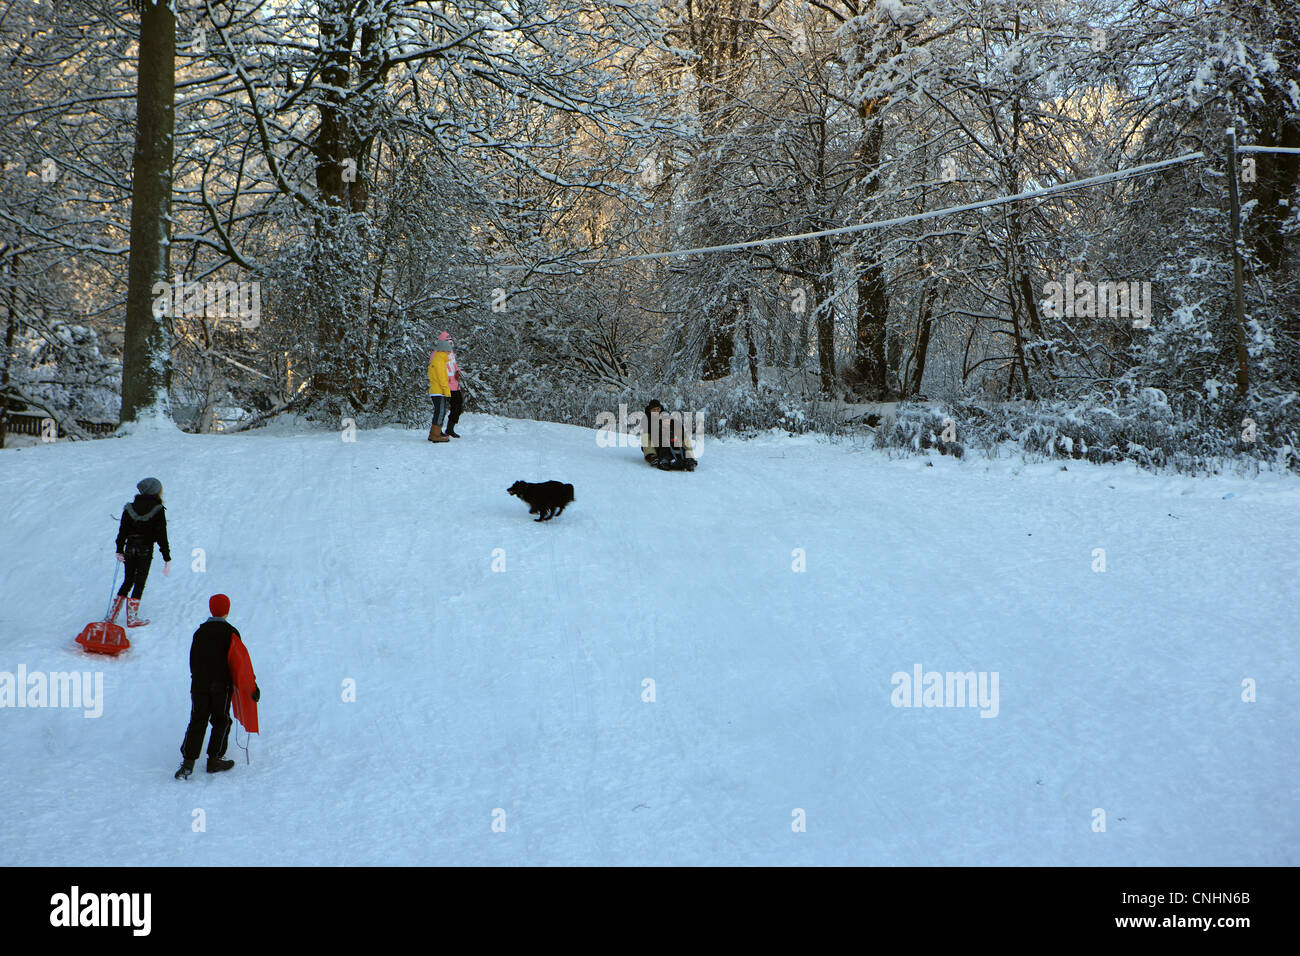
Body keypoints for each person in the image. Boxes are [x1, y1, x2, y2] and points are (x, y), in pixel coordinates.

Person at [175, 594, 260, 780]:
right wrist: (251, 686)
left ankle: (188, 762)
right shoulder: (230, 633)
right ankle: (214, 759)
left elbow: (193, 660)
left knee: (198, 719)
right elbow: (240, 663)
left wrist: (197, 678)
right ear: (227, 611)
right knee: (221, 720)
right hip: (221, 687)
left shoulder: (200, 632)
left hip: (199, 685)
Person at [112, 477, 171, 627]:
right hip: (145, 549)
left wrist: (119, 549)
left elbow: (122, 531)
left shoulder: (129, 508)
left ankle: (112, 615)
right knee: (140, 581)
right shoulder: (157, 510)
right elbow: (161, 535)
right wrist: (166, 556)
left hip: (130, 547)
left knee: (128, 579)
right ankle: (132, 618)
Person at [641, 399, 697, 471]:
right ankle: (652, 456)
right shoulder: (646, 418)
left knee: (683, 436)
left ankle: (690, 457)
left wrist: (678, 429)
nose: (656, 411)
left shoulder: (664, 414)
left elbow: (674, 422)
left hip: (669, 440)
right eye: (654, 410)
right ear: (650, 410)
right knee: (646, 436)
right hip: (655, 442)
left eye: (658, 409)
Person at [426, 335, 453, 443]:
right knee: (440, 412)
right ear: (445, 350)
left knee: (438, 412)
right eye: (448, 351)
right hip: (439, 391)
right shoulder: (440, 362)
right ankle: (436, 435)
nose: (449, 354)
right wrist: (447, 393)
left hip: (435, 391)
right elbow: (442, 379)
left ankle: (434, 433)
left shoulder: (436, 360)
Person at [442, 332, 465, 438]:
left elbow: (454, 366)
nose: (450, 345)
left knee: (458, 406)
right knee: (441, 408)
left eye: (451, 343)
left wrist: (457, 372)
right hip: (445, 385)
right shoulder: (438, 354)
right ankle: (437, 430)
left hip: (455, 385)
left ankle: (450, 429)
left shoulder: (451, 353)